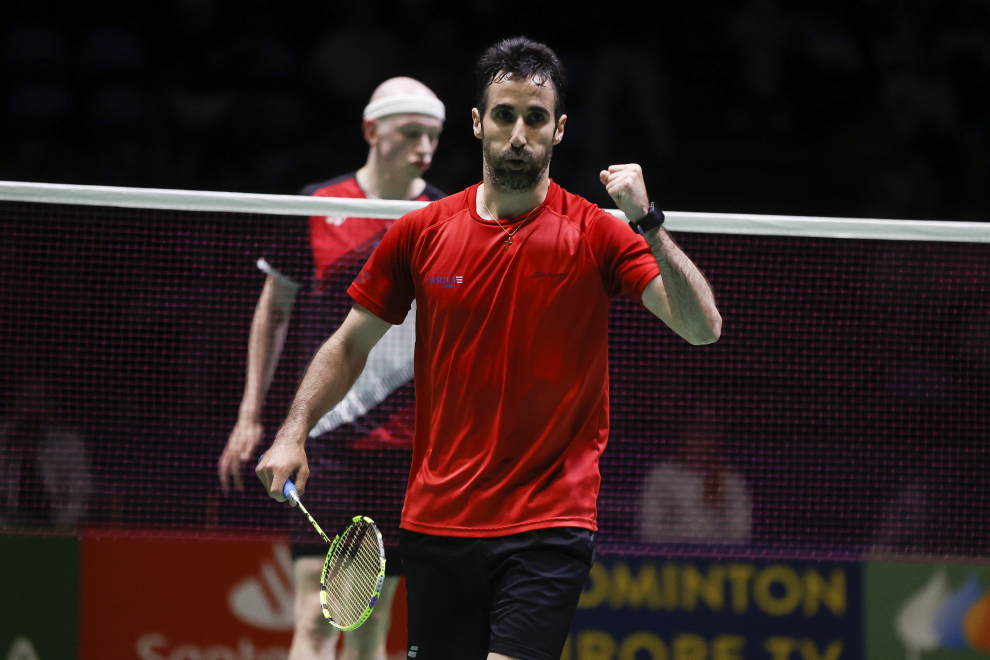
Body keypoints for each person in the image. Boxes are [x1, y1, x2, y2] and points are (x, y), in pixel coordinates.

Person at [257, 37, 721, 660]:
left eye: (535, 118)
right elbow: (347, 345)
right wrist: (293, 432)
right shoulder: (421, 232)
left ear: (559, 129)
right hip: (438, 519)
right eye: (504, 115)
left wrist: (649, 221)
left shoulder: (596, 233)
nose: (518, 133)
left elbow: (701, 327)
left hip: (547, 520)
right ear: (479, 122)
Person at [219, 77, 445, 660]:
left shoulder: (442, 219)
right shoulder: (319, 205)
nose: (425, 147)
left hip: (409, 446)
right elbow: (273, 312)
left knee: (371, 625)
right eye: (412, 133)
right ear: (372, 131)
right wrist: (250, 416)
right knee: (316, 620)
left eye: (434, 136)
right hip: (324, 442)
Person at [639, 415, 752, 544]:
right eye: (696, 434)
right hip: (670, 557)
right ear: (684, 436)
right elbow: (649, 528)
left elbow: (740, 531)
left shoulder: (730, 480)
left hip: (717, 557)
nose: (701, 442)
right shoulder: (663, 477)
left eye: (707, 435)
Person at [0, 374, 91, 528]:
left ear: (49, 405)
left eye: (39, 400)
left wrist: (60, 524)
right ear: (16, 402)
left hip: (52, 529)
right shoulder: (2, 440)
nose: (33, 408)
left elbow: (80, 496)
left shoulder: (67, 444)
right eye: (28, 400)